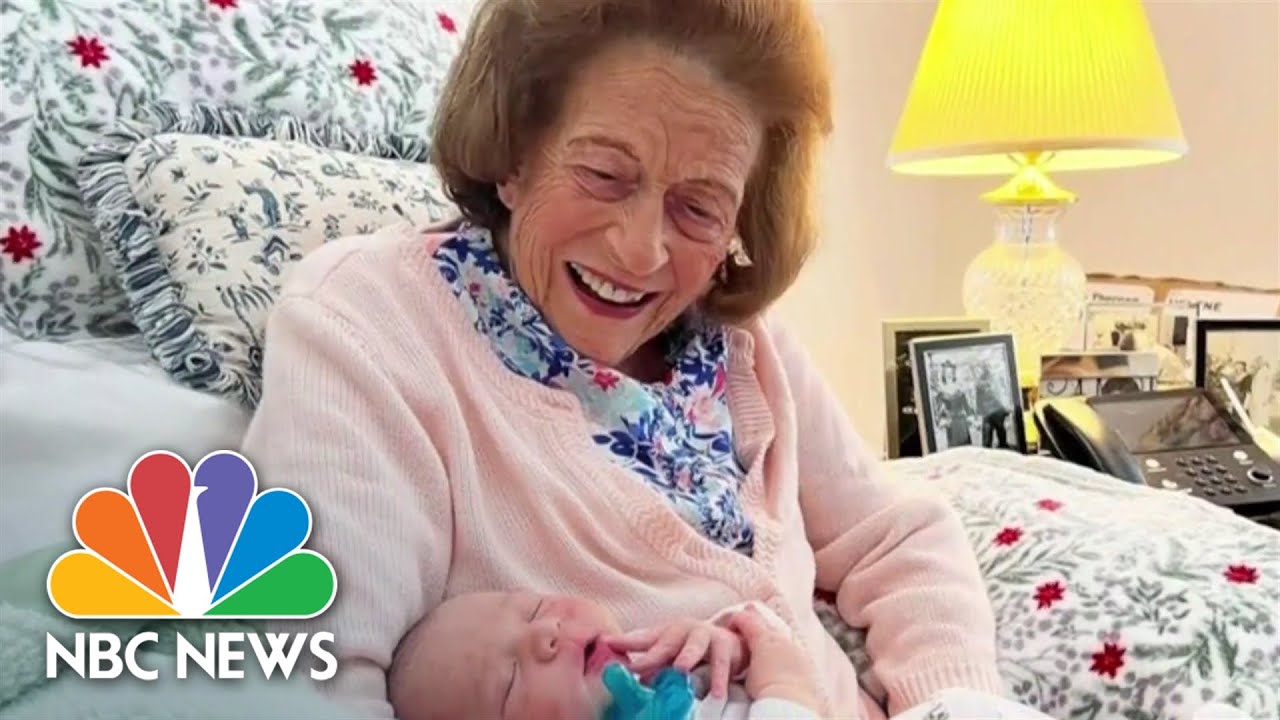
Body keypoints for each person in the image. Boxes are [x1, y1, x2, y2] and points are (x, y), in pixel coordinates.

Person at [239, 1, 1004, 717]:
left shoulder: (741, 341)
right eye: (605, 175)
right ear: (513, 154)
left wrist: (956, 702)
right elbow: (308, 677)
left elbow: (897, 538)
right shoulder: (370, 322)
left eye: (699, 208)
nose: (642, 250)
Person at [387, 591, 822, 720]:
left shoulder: (650, 658)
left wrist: (733, 644)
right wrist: (787, 689)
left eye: (533, 609)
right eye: (509, 682)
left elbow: (764, 625)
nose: (545, 633)